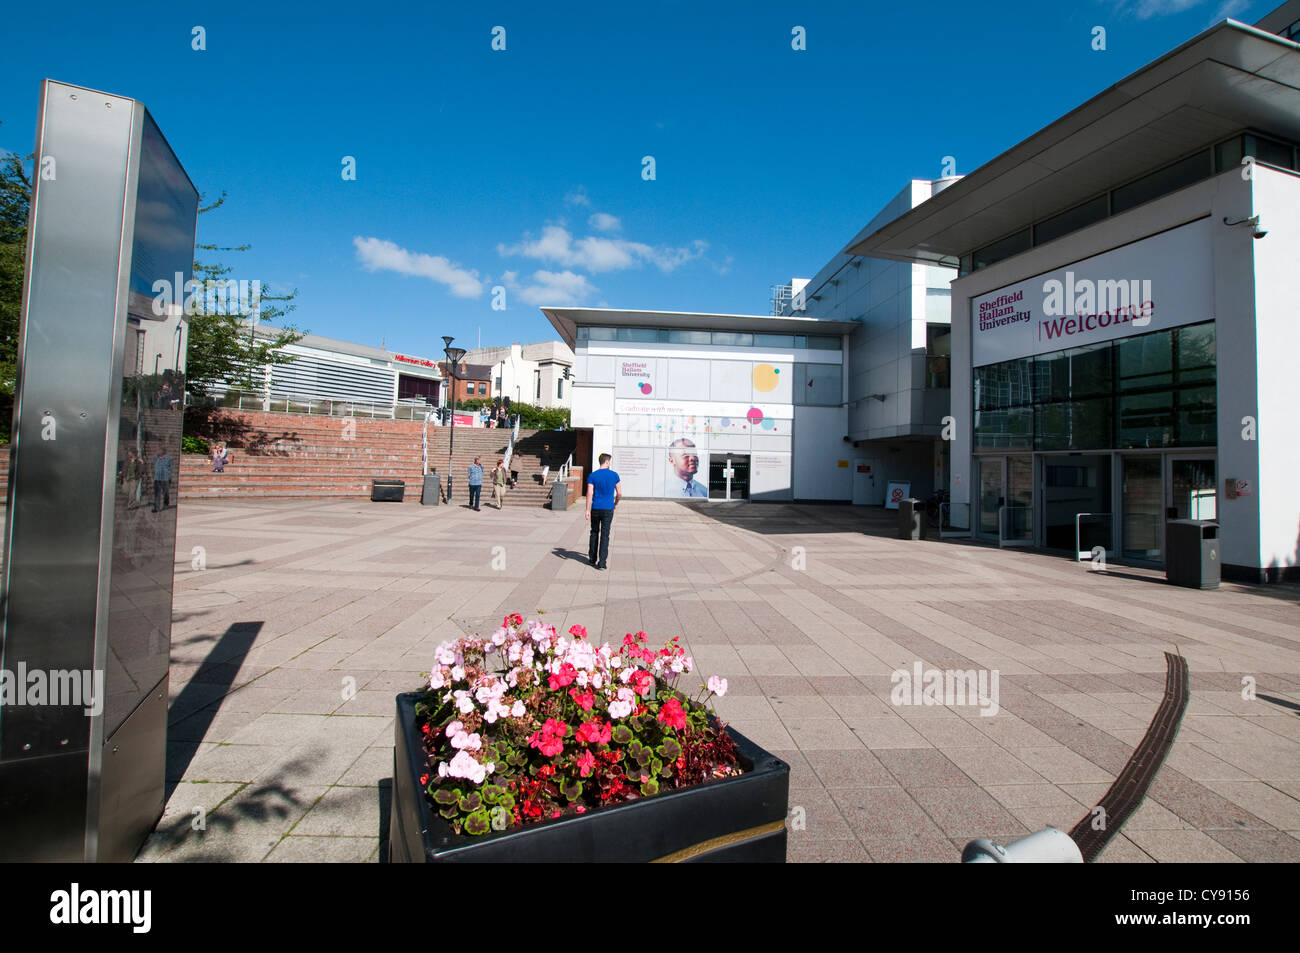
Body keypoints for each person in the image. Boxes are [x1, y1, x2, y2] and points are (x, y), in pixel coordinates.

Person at [585, 452, 621, 570]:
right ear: (606, 461)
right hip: (608, 509)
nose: (610, 463)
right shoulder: (614, 475)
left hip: (595, 508)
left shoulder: (593, 475)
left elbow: (589, 493)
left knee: (594, 532)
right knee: (605, 535)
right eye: (609, 461)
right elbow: (619, 494)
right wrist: (615, 504)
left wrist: (587, 510)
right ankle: (602, 563)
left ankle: (592, 559)